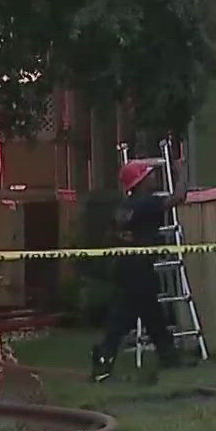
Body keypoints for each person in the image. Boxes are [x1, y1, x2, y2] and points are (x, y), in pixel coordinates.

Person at [90, 159, 182, 381]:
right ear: (139, 182)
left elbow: (113, 233)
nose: (152, 178)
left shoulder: (125, 206)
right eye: (148, 175)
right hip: (138, 269)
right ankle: (103, 360)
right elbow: (178, 199)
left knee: (153, 316)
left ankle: (169, 357)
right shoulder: (144, 203)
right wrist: (181, 172)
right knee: (121, 319)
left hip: (127, 266)